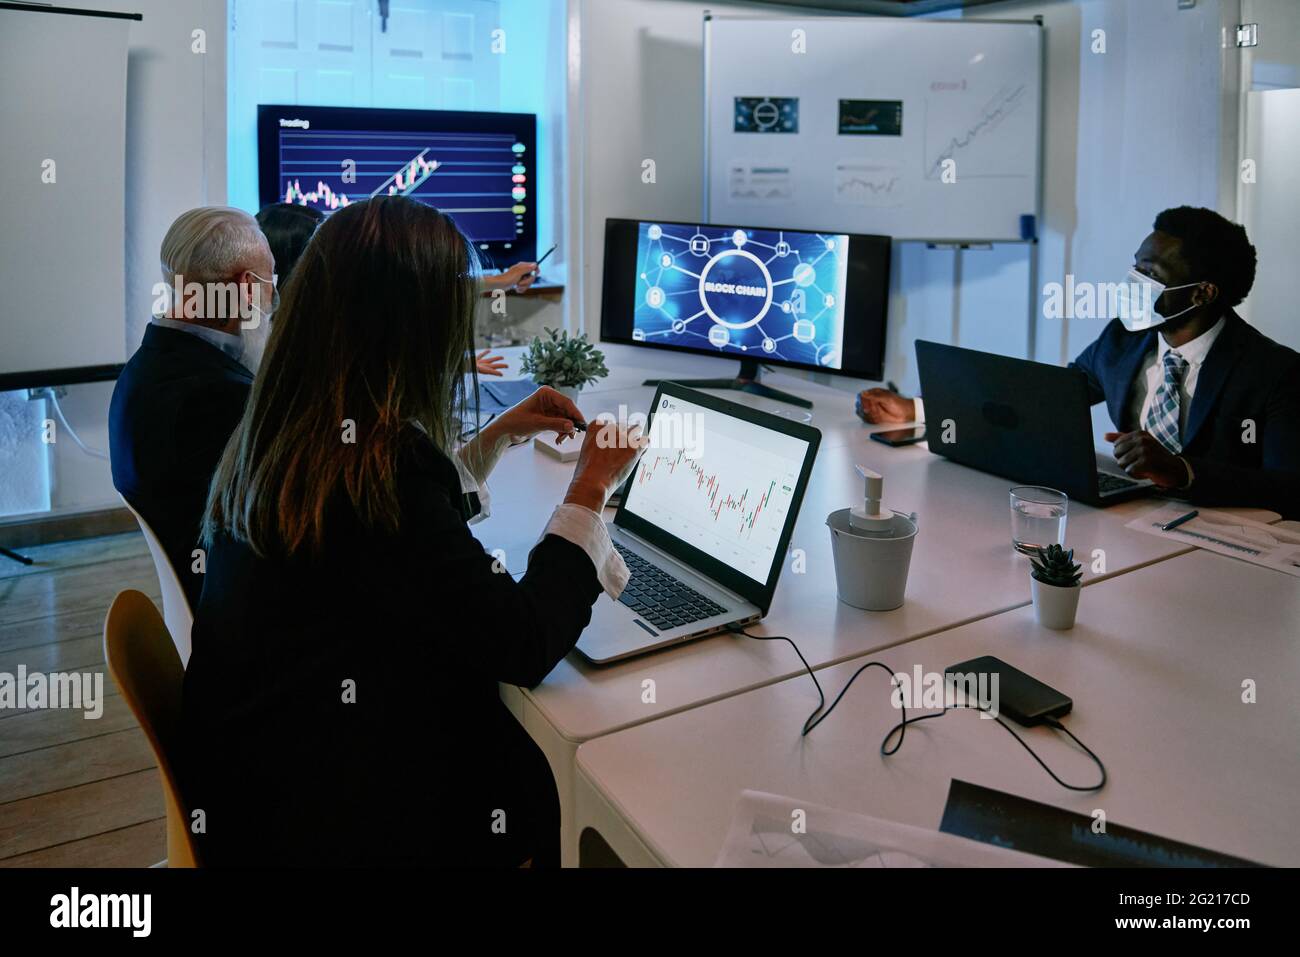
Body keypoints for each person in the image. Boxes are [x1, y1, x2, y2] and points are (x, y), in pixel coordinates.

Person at [183, 195, 645, 867]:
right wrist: (592, 486)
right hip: (332, 820)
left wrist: (493, 437)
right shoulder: (379, 471)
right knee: (542, 771)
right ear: (412, 332)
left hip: (254, 782)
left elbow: (397, 549)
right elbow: (521, 640)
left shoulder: (290, 425)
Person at [856, 207, 1300, 517]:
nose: (1134, 282)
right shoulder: (1124, 339)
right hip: (1127, 524)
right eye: (1135, 267)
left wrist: (1181, 472)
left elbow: (1290, 489)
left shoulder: (1275, 373)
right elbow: (1042, 401)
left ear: (1202, 293)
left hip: (1219, 549)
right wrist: (920, 410)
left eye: (1152, 274)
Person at [109, 207, 274, 606]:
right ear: (247, 288)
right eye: (272, 279)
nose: (274, 295)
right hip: (234, 613)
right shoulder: (217, 399)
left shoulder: (145, 367)